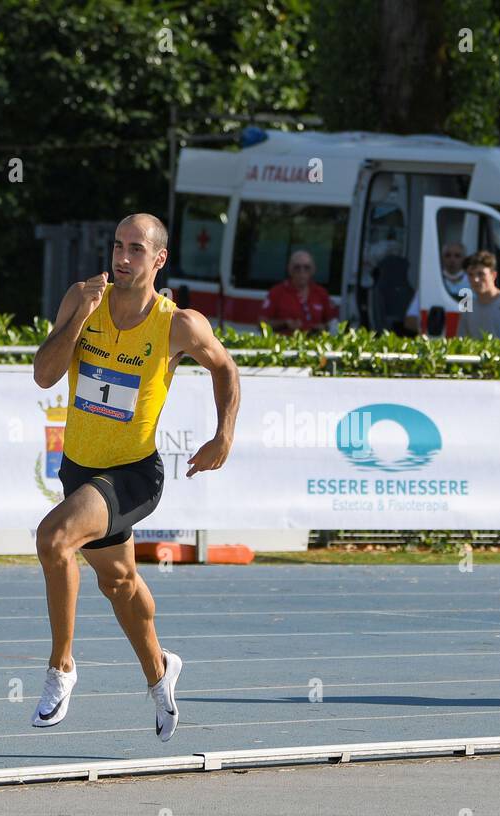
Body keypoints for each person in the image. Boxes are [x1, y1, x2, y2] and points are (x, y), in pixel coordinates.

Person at [30, 213, 240, 741]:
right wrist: (79, 316)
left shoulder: (177, 324)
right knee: (118, 582)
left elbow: (225, 368)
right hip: (80, 469)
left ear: (159, 259)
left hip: (132, 474)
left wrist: (223, 437)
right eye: (118, 246)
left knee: (53, 539)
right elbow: (44, 374)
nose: (122, 258)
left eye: (136, 250)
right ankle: (159, 671)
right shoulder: (83, 296)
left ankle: (61, 669)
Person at [259, 249, 337, 334]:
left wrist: (324, 327)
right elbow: (261, 324)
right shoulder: (277, 292)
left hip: (314, 345)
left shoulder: (321, 293)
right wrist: (285, 323)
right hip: (285, 345)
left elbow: (333, 324)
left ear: (313, 270)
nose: (302, 271)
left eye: (306, 267)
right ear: (289, 269)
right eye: (297, 267)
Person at [406, 242, 472, 334]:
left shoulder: (473, 283)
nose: (452, 259)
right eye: (447, 255)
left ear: (464, 259)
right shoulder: (430, 283)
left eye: (457, 256)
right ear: (442, 258)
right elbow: (410, 320)